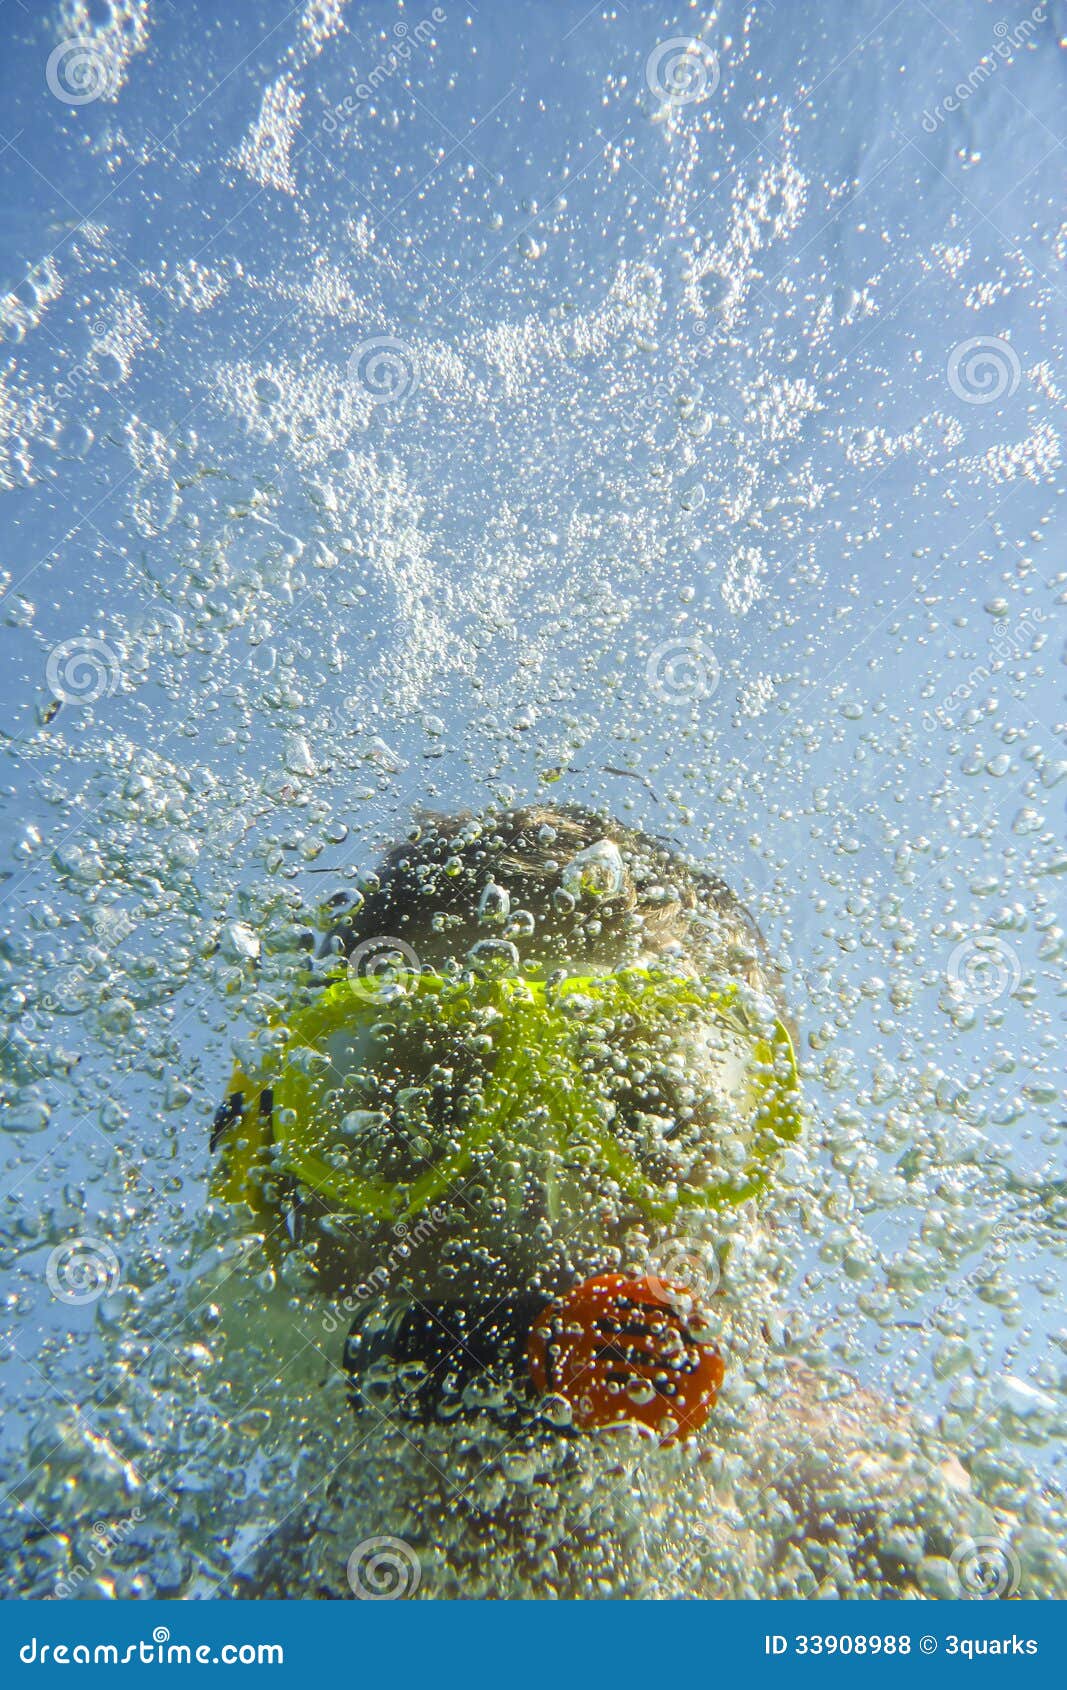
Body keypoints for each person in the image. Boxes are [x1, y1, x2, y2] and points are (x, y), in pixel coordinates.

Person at [209, 805, 1003, 1599]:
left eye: (650, 1108)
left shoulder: (915, 1552)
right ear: (279, 1207)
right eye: (419, 1116)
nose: (536, 1213)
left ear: (765, 1215)